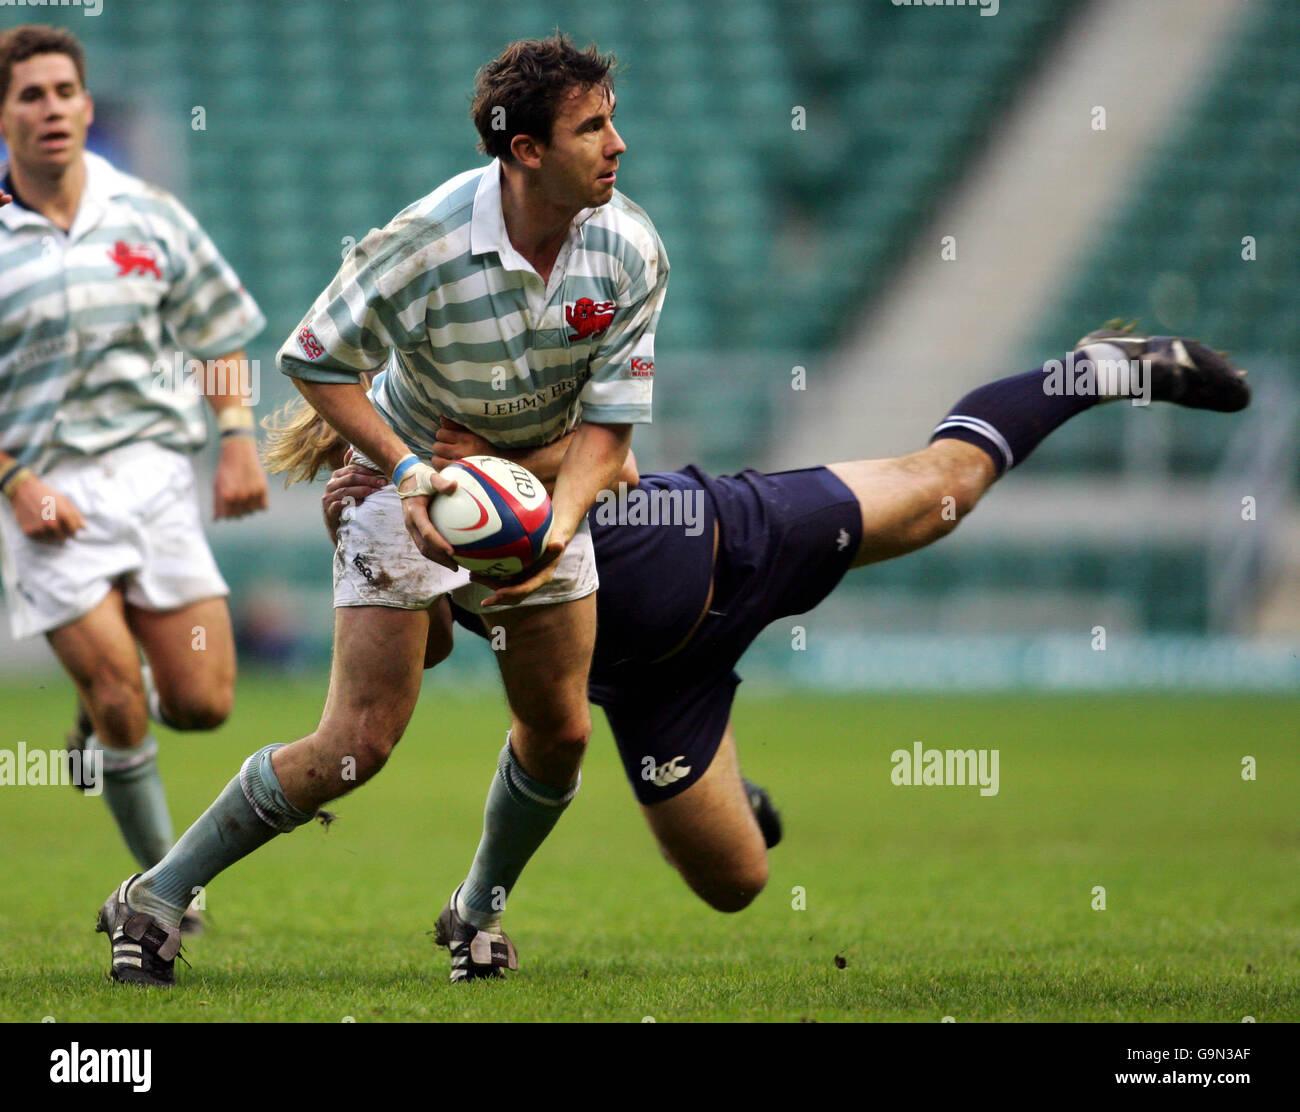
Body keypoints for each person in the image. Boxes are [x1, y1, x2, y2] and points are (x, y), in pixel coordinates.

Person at [96, 320, 1247, 987]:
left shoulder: (509, 409)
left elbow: (622, 461)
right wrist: (410, 558)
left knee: (946, 486)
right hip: (653, 682)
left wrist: (540, 479)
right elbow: (425, 654)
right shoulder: (379, 504)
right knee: (737, 883)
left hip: (728, 539)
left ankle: (1094, 367)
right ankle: (710, 788)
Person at [96, 33, 667, 985]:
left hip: (536, 492)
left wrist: (554, 528)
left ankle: (475, 914)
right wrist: (408, 473)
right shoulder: (429, 239)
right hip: (399, 481)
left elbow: (610, 436)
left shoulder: (631, 248)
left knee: (563, 732)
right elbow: (312, 356)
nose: (619, 145)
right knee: (356, 747)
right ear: (525, 150)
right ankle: (156, 896)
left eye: (613, 121)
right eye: (594, 127)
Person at [0, 24, 267, 924]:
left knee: (202, 702)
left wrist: (235, 436)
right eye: (30, 95)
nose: (51, 110)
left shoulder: (146, 212)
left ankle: (96, 711)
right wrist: (13, 483)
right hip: (44, 491)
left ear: (85, 104)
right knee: (124, 700)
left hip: (154, 476)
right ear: (4, 115)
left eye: (64, 92)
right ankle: (164, 892)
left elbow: (219, 325)